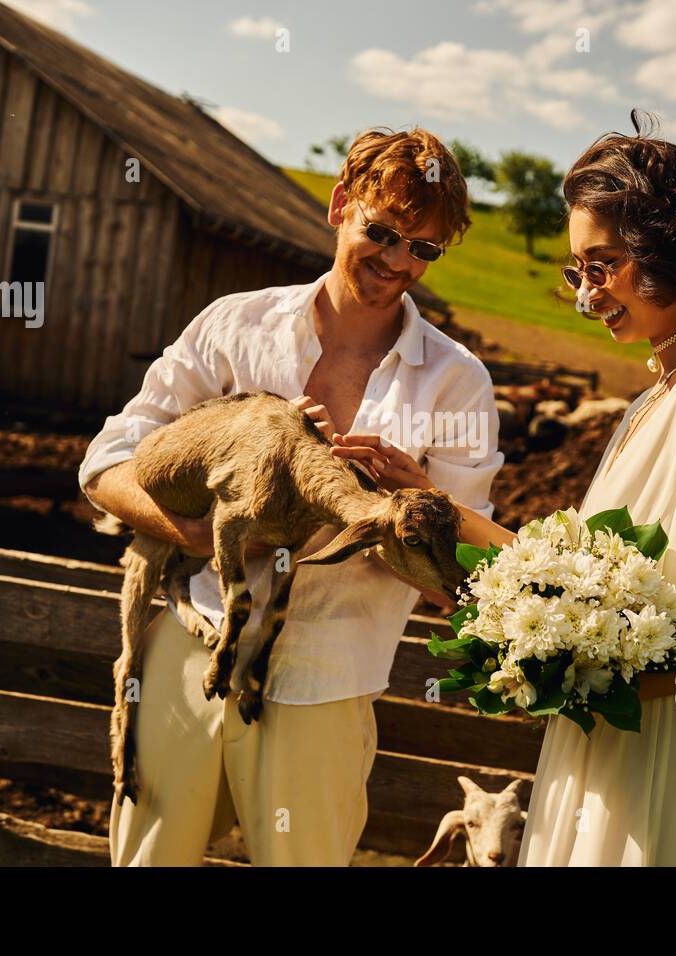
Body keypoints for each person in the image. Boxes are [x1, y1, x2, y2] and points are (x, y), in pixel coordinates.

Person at [333, 113, 676, 866]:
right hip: (600, 748)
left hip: (655, 765)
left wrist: (595, 681)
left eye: (602, 265)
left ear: (666, 251)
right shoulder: (661, 393)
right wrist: (431, 501)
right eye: (577, 270)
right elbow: (572, 579)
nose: (585, 295)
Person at [78, 128, 503, 866]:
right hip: (193, 639)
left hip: (330, 674)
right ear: (341, 206)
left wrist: (413, 499)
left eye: (425, 249)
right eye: (384, 233)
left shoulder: (456, 381)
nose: (399, 262)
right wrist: (196, 532)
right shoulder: (234, 325)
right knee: (150, 857)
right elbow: (107, 461)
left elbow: (462, 581)